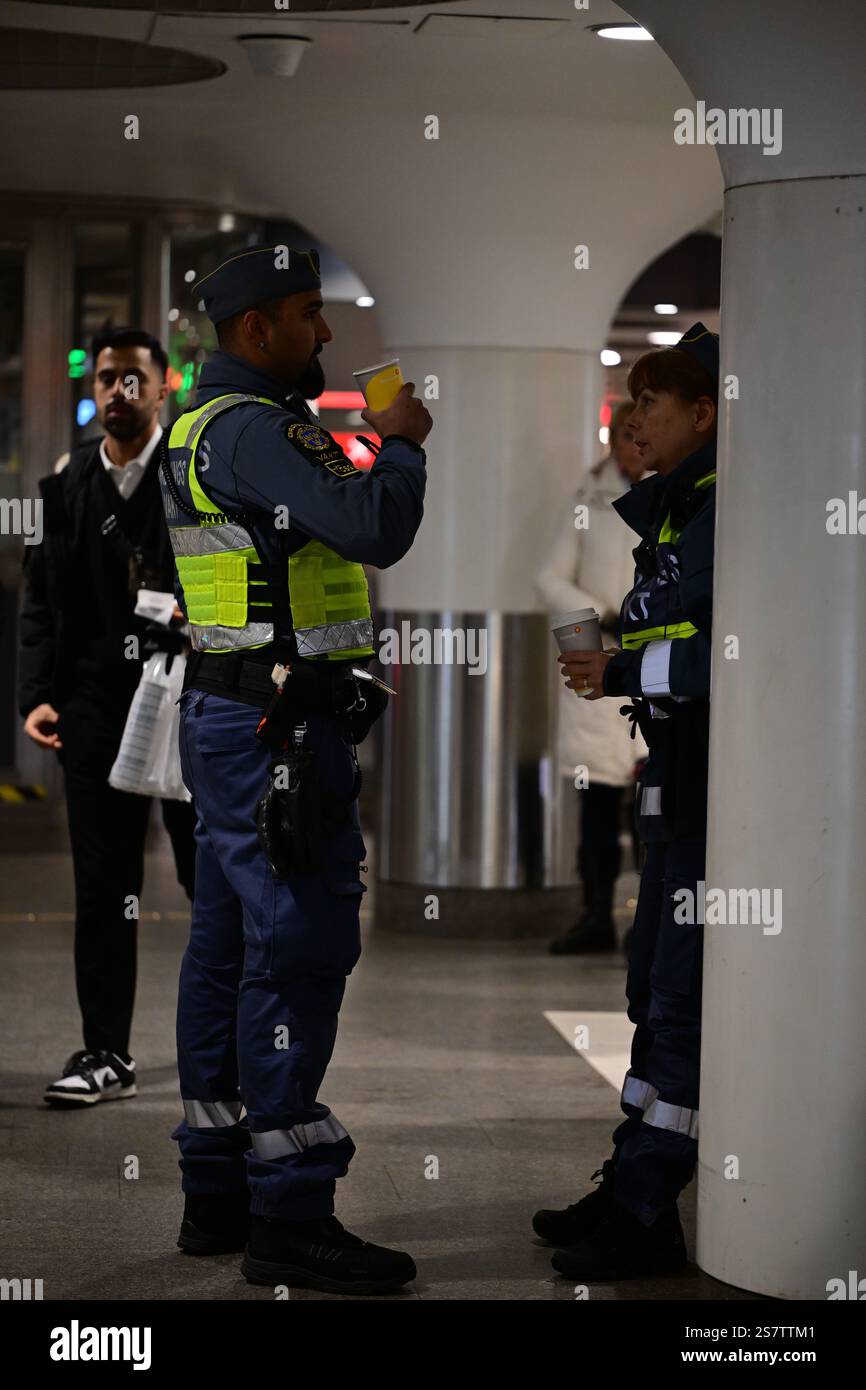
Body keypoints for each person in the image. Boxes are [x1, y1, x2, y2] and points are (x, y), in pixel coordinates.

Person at [163, 244, 431, 1295]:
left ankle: (215, 1184)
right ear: (253, 330)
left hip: (230, 715)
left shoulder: (204, 428)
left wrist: (353, 451)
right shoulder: (255, 429)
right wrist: (400, 448)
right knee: (302, 940)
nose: (325, 334)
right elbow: (375, 526)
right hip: (279, 733)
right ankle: (289, 1210)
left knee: (226, 944)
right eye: (308, 315)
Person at [532, 323, 718, 1280]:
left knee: (679, 995)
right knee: (650, 984)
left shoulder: (724, 511)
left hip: (708, 782)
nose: (635, 416)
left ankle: (648, 1205)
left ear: (704, 412)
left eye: (652, 401)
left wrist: (621, 664)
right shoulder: (677, 511)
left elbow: (734, 650)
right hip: (672, 771)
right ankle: (632, 1181)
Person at [18, 327, 197, 1107]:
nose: (117, 392)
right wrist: (37, 694)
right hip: (94, 707)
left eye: (133, 379)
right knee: (103, 885)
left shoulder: (192, 480)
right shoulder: (65, 489)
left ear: (164, 388)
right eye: (105, 380)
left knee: (207, 878)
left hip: (187, 700)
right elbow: (39, 601)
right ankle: (104, 1052)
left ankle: (221, 1050)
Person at [537, 403, 647, 954]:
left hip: (654, 666)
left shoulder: (674, 491)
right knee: (597, 809)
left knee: (653, 805)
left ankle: (650, 919)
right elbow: (550, 579)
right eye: (624, 436)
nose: (632, 446)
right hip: (601, 666)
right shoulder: (588, 498)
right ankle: (596, 916)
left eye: (639, 435)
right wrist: (602, 612)